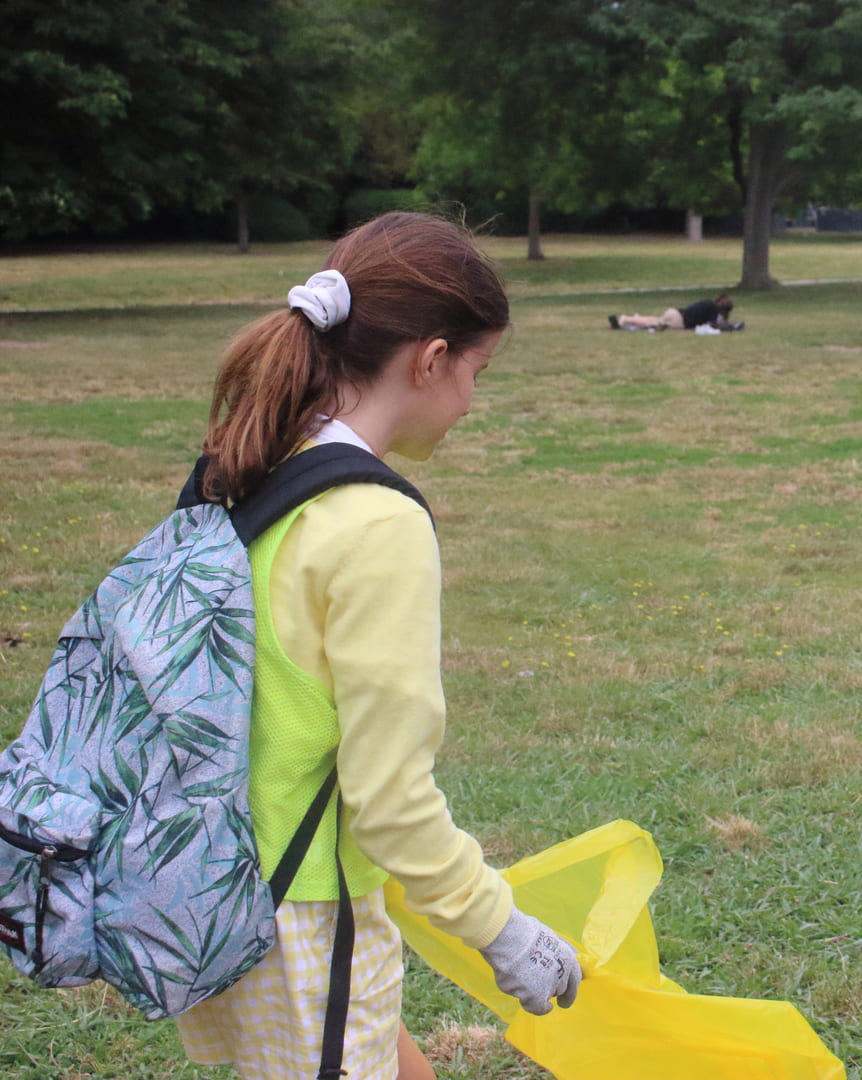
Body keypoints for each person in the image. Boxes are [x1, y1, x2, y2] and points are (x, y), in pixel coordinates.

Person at [174, 212, 583, 1080]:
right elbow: (388, 798)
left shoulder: (254, 459)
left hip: (209, 885)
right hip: (300, 911)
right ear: (430, 359)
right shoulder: (376, 522)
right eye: (477, 371)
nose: (471, 402)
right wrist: (500, 928)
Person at [610, 293, 735, 331]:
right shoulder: (713, 309)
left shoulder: (708, 302)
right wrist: (726, 326)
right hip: (679, 320)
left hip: (675, 312)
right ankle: (626, 319)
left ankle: (630, 318)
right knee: (653, 324)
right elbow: (712, 325)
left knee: (654, 319)